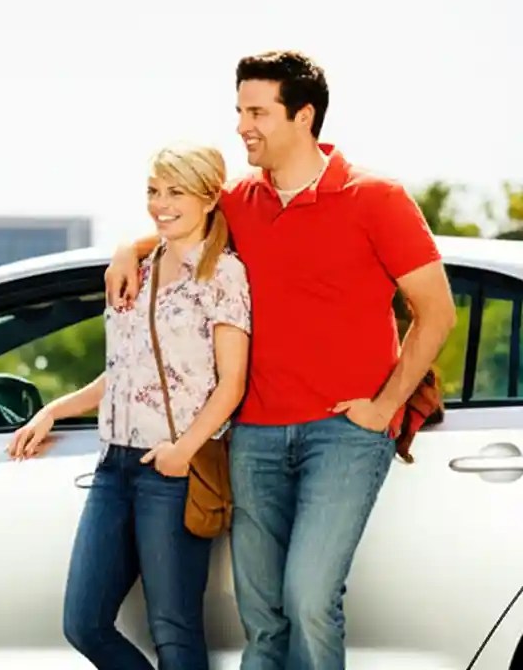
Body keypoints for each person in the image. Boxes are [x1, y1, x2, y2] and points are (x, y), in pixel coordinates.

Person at [103, 50, 457, 670]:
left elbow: (438, 313)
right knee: (261, 617)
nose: (243, 125)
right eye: (240, 110)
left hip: (343, 436)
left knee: (311, 597)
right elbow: (177, 228)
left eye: (257, 111)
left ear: (303, 115)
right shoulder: (240, 200)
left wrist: (382, 409)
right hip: (257, 436)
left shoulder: (376, 198)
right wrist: (123, 253)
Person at [8, 143, 252, 670]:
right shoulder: (140, 264)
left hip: (172, 468)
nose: (161, 204)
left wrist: (183, 451)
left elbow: (232, 382)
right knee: (84, 622)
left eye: (176, 192)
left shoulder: (222, 275)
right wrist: (54, 410)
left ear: (209, 197)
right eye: (153, 191)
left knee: (175, 629)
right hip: (113, 464)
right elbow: (125, 371)